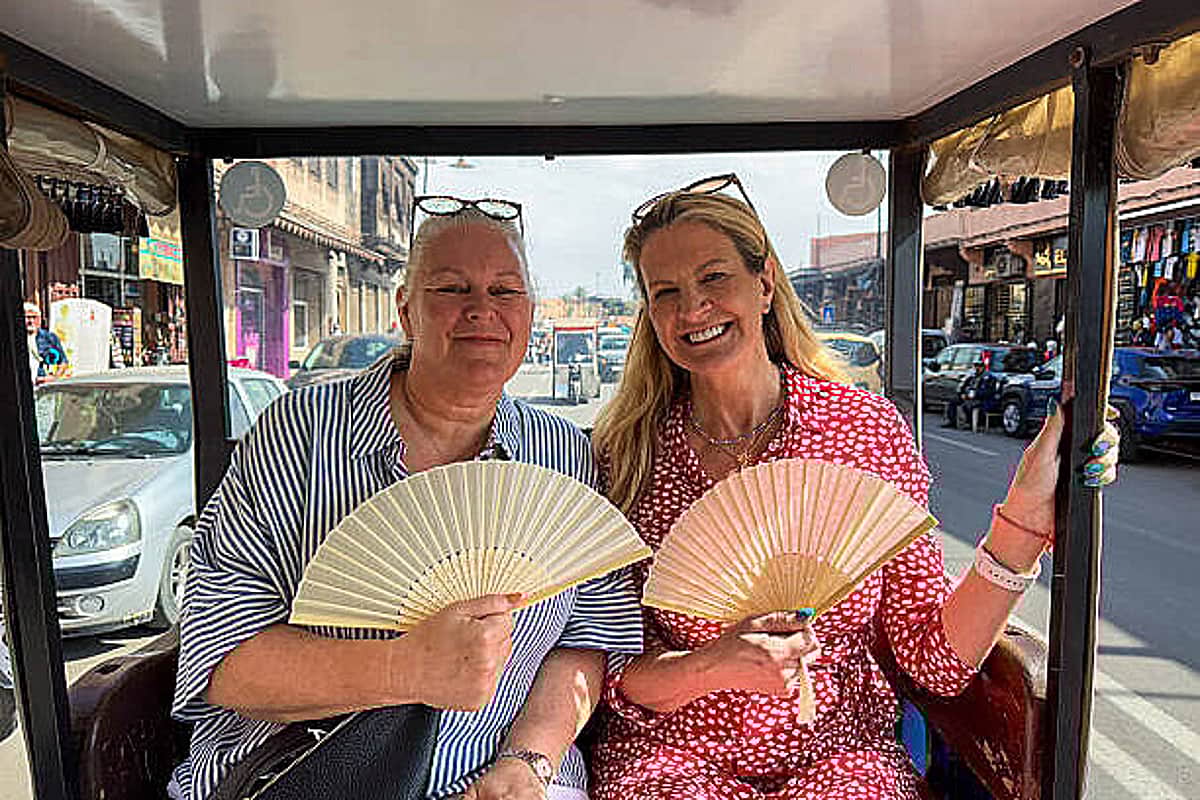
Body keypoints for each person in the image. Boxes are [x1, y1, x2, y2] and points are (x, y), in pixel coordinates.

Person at [588, 178, 1118, 800]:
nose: (692, 308)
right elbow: (616, 675)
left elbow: (933, 658)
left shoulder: (861, 431)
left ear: (763, 287)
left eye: (713, 278)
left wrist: (1023, 525)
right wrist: (714, 663)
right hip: (673, 755)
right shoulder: (626, 453)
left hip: (840, 755)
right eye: (666, 292)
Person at [171, 201, 644, 800]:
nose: (482, 310)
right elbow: (222, 662)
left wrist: (528, 763)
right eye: (452, 288)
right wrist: (407, 668)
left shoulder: (564, 453)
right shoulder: (300, 433)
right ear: (406, 311)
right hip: (313, 770)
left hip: (504, 776)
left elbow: (585, 642)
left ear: (529, 314)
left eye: (506, 291)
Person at [24, 302, 68, 382]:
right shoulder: (15, 339)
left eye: (34, 317)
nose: (31, 321)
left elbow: (63, 362)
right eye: (28, 317)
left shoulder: (49, 338)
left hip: (42, 383)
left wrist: (53, 378)